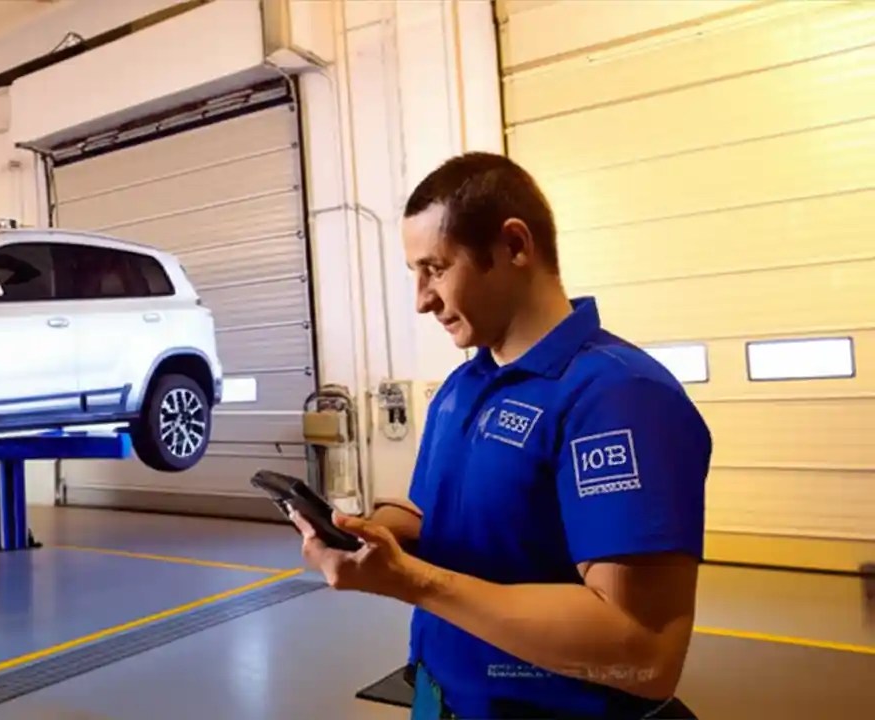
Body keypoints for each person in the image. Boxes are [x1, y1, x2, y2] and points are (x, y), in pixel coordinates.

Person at [292, 152, 711, 719]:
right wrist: (371, 535)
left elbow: (643, 650)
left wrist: (416, 582)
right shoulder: (462, 388)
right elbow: (438, 515)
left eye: (435, 269)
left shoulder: (618, 397)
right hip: (440, 697)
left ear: (514, 246)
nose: (421, 300)